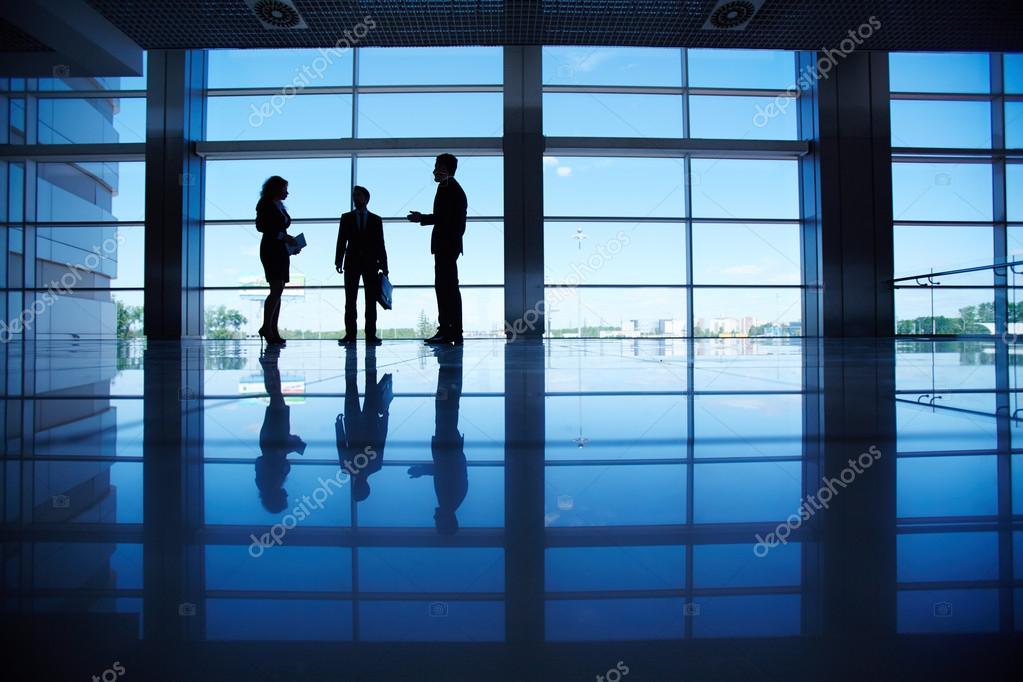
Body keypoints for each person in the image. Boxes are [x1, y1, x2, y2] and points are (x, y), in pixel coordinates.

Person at [406, 153, 467, 345]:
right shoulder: (452, 188)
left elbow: (444, 218)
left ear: (445, 168)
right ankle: (452, 330)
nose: (433, 169)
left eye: (437, 165)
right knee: (448, 288)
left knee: (445, 288)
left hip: (446, 246)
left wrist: (421, 218)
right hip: (450, 246)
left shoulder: (448, 187)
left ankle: (448, 330)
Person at [407, 345, 467, 535]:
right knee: (445, 403)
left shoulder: (452, 500)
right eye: (438, 522)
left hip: (449, 443)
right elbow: (446, 470)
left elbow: (449, 470)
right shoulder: (449, 500)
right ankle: (449, 363)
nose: (434, 518)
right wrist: (422, 470)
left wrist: (424, 471)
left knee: (447, 402)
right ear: (448, 521)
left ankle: (450, 364)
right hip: (446, 443)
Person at [336, 344, 392, 502]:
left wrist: (385, 415)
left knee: (370, 380)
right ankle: (351, 353)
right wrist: (339, 425)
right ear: (355, 486)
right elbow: (341, 444)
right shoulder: (346, 468)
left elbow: (382, 439)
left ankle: (370, 351)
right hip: (353, 422)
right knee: (351, 383)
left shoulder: (376, 466)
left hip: (370, 420)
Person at [255, 344, 306, 512]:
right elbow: (261, 461)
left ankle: (269, 366)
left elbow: (275, 457)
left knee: (276, 397)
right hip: (270, 439)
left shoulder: (273, 480)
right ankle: (271, 365)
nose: (287, 496)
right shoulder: (264, 482)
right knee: (276, 398)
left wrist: (291, 445)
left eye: (284, 499)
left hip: (276, 438)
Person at [336, 186, 388, 344]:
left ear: (366, 198)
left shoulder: (376, 219)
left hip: (371, 263)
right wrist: (338, 260)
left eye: (358, 195)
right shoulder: (346, 218)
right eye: (354, 195)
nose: (355, 198)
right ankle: (350, 334)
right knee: (350, 300)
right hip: (351, 262)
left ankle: (370, 334)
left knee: (371, 300)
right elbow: (341, 240)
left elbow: (380, 244)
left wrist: (384, 265)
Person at [255, 175, 298, 345]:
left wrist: (290, 245)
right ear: (276, 189)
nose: (287, 193)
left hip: (280, 250)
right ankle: (267, 328)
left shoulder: (279, 206)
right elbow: (262, 227)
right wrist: (284, 237)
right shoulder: (265, 204)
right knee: (276, 288)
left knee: (279, 290)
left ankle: (272, 329)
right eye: (284, 189)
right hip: (271, 249)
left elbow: (279, 228)